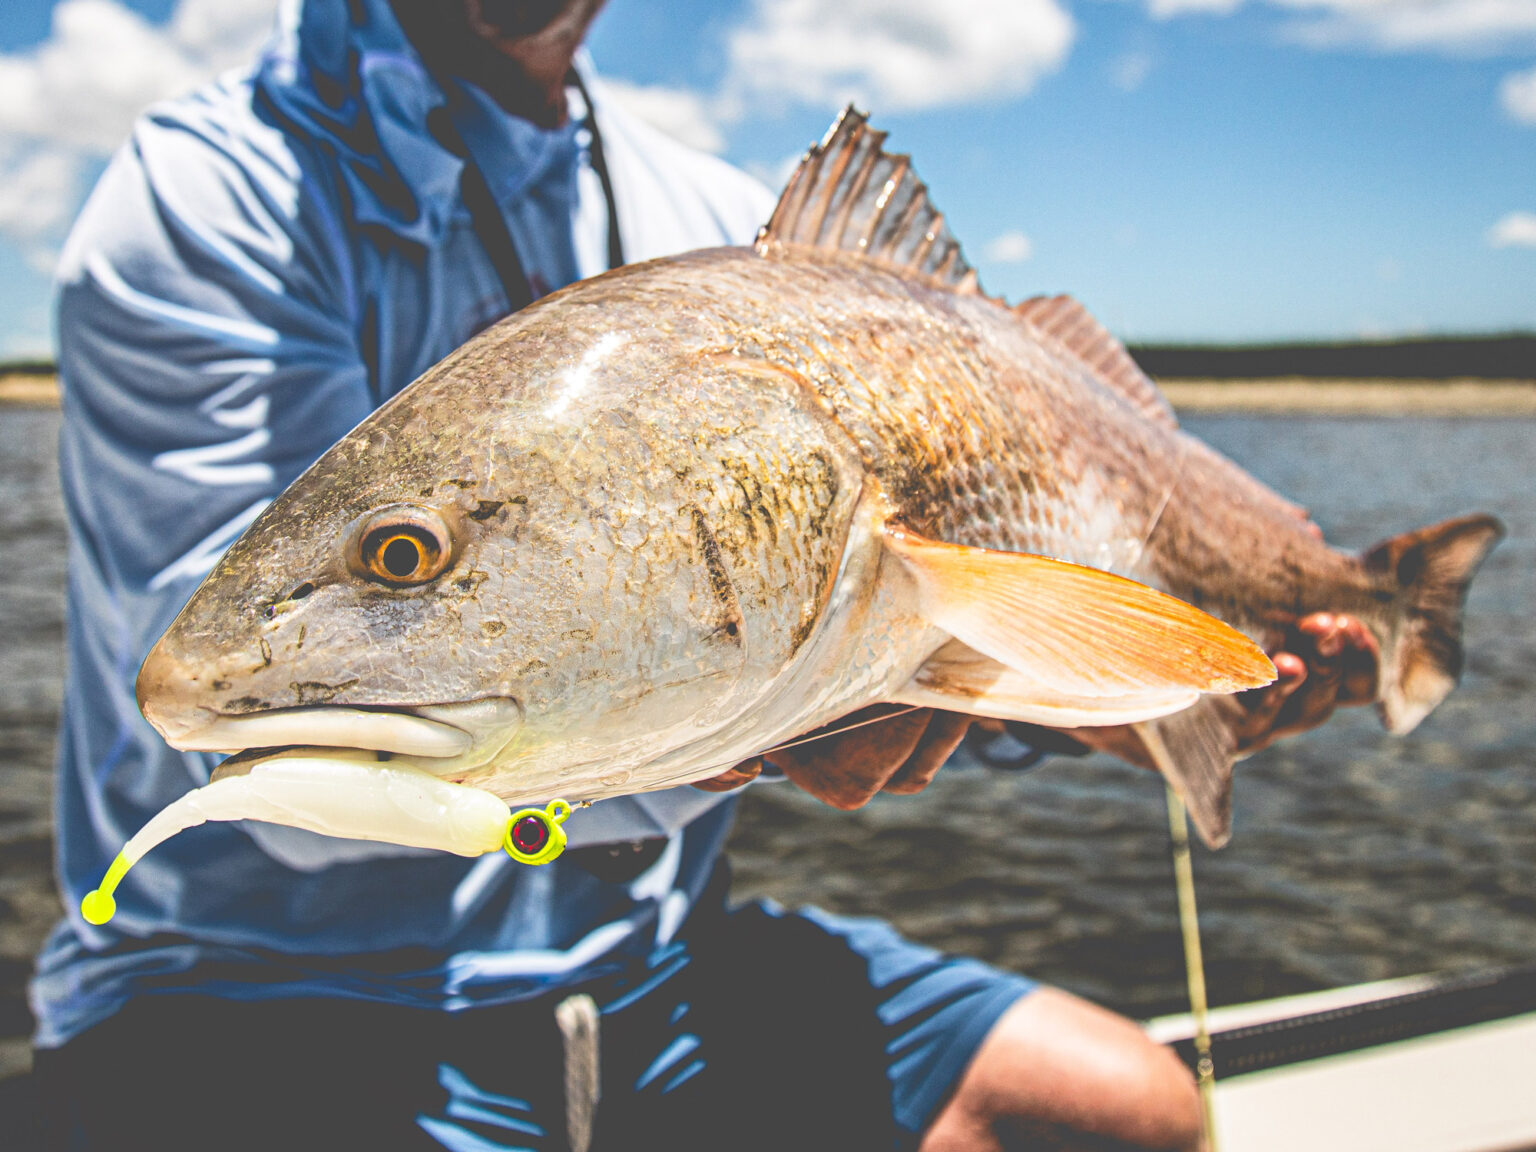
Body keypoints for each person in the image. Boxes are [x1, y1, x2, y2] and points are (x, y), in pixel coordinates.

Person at [31, 1, 1379, 1149]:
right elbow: (259, 767)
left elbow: (902, 627)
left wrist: (1124, 713)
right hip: (250, 995)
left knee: (1130, 1110)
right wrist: (762, 746)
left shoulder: (726, 223)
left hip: (643, 969)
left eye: (406, 557)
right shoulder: (216, 195)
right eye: (403, 558)